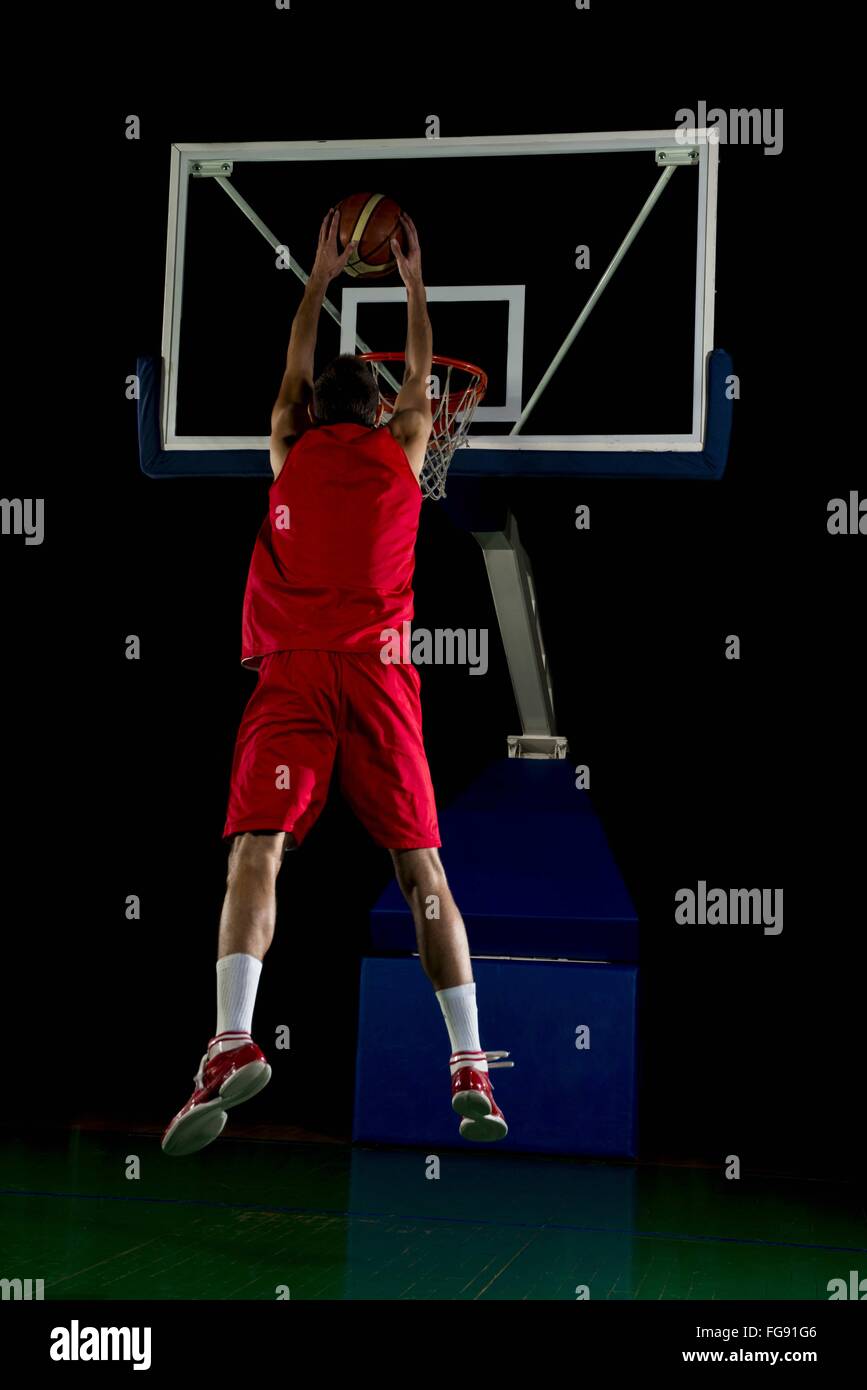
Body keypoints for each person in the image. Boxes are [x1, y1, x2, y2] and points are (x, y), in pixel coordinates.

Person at [162, 209, 509, 1156]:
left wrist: (317, 280)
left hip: (295, 678)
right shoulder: (405, 451)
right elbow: (418, 379)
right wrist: (413, 283)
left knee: (255, 853)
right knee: (422, 874)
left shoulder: (289, 445)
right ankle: (470, 1060)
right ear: (402, 409)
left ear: (311, 413)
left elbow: (293, 363)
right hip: (384, 682)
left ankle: (232, 1038)